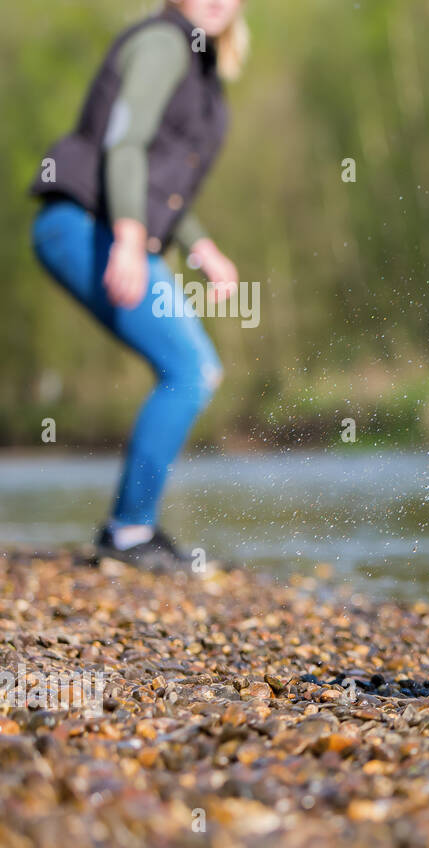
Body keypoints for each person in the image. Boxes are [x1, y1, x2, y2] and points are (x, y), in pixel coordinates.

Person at [30, 0, 248, 571]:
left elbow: (160, 180)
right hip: (82, 225)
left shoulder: (200, 63)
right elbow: (123, 144)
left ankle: (131, 528)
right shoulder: (163, 44)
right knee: (190, 369)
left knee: (194, 369)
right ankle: (128, 533)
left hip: (106, 225)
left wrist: (200, 246)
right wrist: (128, 238)